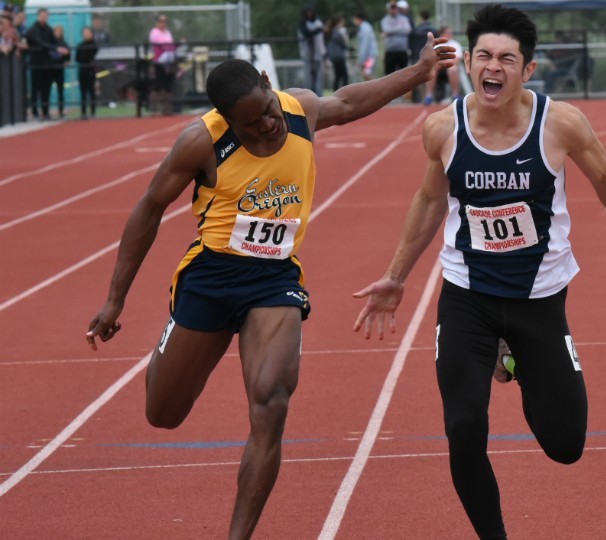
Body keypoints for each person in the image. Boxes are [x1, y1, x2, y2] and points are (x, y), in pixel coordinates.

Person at [85, 35, 457, 539]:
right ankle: (173, 345)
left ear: (267, 83)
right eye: (251, 123)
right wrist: (115, 299)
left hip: (274, 278)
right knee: (163, 414)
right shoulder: (202, 141)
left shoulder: (298, 108)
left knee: (272, 401)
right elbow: (150, 207)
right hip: (212, 276)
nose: (267, 124)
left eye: (266, 110)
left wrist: (418, 71)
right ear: (226, 120)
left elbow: (348, 102)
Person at [352, 4, 606, 538]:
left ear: (528, 69)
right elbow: (430, 200)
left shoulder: (559, 123)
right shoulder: (442, 128)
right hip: (467, 294)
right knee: (463, 427)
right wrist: (396, 275)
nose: (492, 67)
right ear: (467, 63)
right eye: (483, 56)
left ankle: (515, 360)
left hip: (539, 297)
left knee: (565, 444)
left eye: (506, 59)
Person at [25, 8, 66, 120]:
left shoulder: (48, 29)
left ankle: (45, 111)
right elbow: (41, 43)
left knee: (46, 89)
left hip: (47, 64)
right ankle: (35, 112)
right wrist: (56, 48)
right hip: (36, 63)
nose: (44, 17)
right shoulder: (33, 30)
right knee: (35, 88)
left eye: (46, 15)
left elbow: (55, 42)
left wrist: (61, 48)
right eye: (43, 15)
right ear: (38, 15)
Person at [423, 25, 462, 105]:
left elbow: (457, 60)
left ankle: (455, 95)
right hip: (438, 68)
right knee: (432, 69)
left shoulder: (456, 44)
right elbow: (432, 60)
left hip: (450, 67)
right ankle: (429, 96)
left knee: (453, 69)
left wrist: (445, 62)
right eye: (448, 33)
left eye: (451, 33)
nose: (450, 34)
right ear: (442, 34)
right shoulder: (436, 45)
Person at [148, 14, 177, 115]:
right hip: (159, 62)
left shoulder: (167, 32)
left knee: (168, 86)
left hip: (169, 62)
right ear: (157, 22)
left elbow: (171, 44)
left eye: (165, 21)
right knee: (158, 85)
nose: (163, 24)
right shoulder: (154, 32)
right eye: (161, 21)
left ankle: (167, 109)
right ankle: (153, 109)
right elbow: (163, 44)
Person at [298, 7, 326, 95]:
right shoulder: (303, 24)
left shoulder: (318, 22)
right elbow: (307, 33)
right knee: (308, 75)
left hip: (318, 53)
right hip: (308, 54)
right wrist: (319, 30)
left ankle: (319, 93)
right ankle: (308, 93)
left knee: (319, 76)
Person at [380, 2, 411, 76]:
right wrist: (400, 29)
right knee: (389, 75)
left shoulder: (404, 19)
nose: (393, 10)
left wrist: (390, 32)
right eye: (391, 8)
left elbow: (407, 30)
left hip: (402, 51)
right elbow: (387, 29)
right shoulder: (385, 20)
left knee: (404, 74)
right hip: (390, 51)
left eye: (394, 8)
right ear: (388, 10)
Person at [76, 26, 99, 118]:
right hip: (82, 70)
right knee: (83, 92)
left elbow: (91, 56)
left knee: (91, 91)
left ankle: (93, 112)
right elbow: (78, 58)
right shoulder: (80, 45)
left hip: (91, 71)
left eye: (87, 32)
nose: (85, 34)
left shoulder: (94, 45)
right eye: (84, 33)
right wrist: (85, 58)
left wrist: (86, 58)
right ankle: (83, 112)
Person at [51, 24, 70, 118]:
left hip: (60, 69)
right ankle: (45, 110)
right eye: (56, 31)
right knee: (47, 90)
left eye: (60, 31)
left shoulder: (64, 43)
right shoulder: (50, 43)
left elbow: (68, 56)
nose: (58, 33)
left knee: (60, 91)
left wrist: (66, 60)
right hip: (50, 69)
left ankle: (61, 110)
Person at [326, 16, 349, 91]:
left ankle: (335, 90)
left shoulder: (330, 32)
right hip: (339, 56)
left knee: (337, 75)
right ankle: (345, 91)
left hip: (333, 56)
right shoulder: (337, 32)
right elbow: (343, 44)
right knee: (344, 75)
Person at [353, 12, 378, 81]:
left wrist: (361, 60)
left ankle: (380, 87)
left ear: (358, 19)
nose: (353, 21)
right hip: (368, 56)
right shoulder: (365, 27)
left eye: (354, 19)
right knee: (366, 76)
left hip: (369, 56)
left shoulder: (364, 29)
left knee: (367, 74)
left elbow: (364, 45)